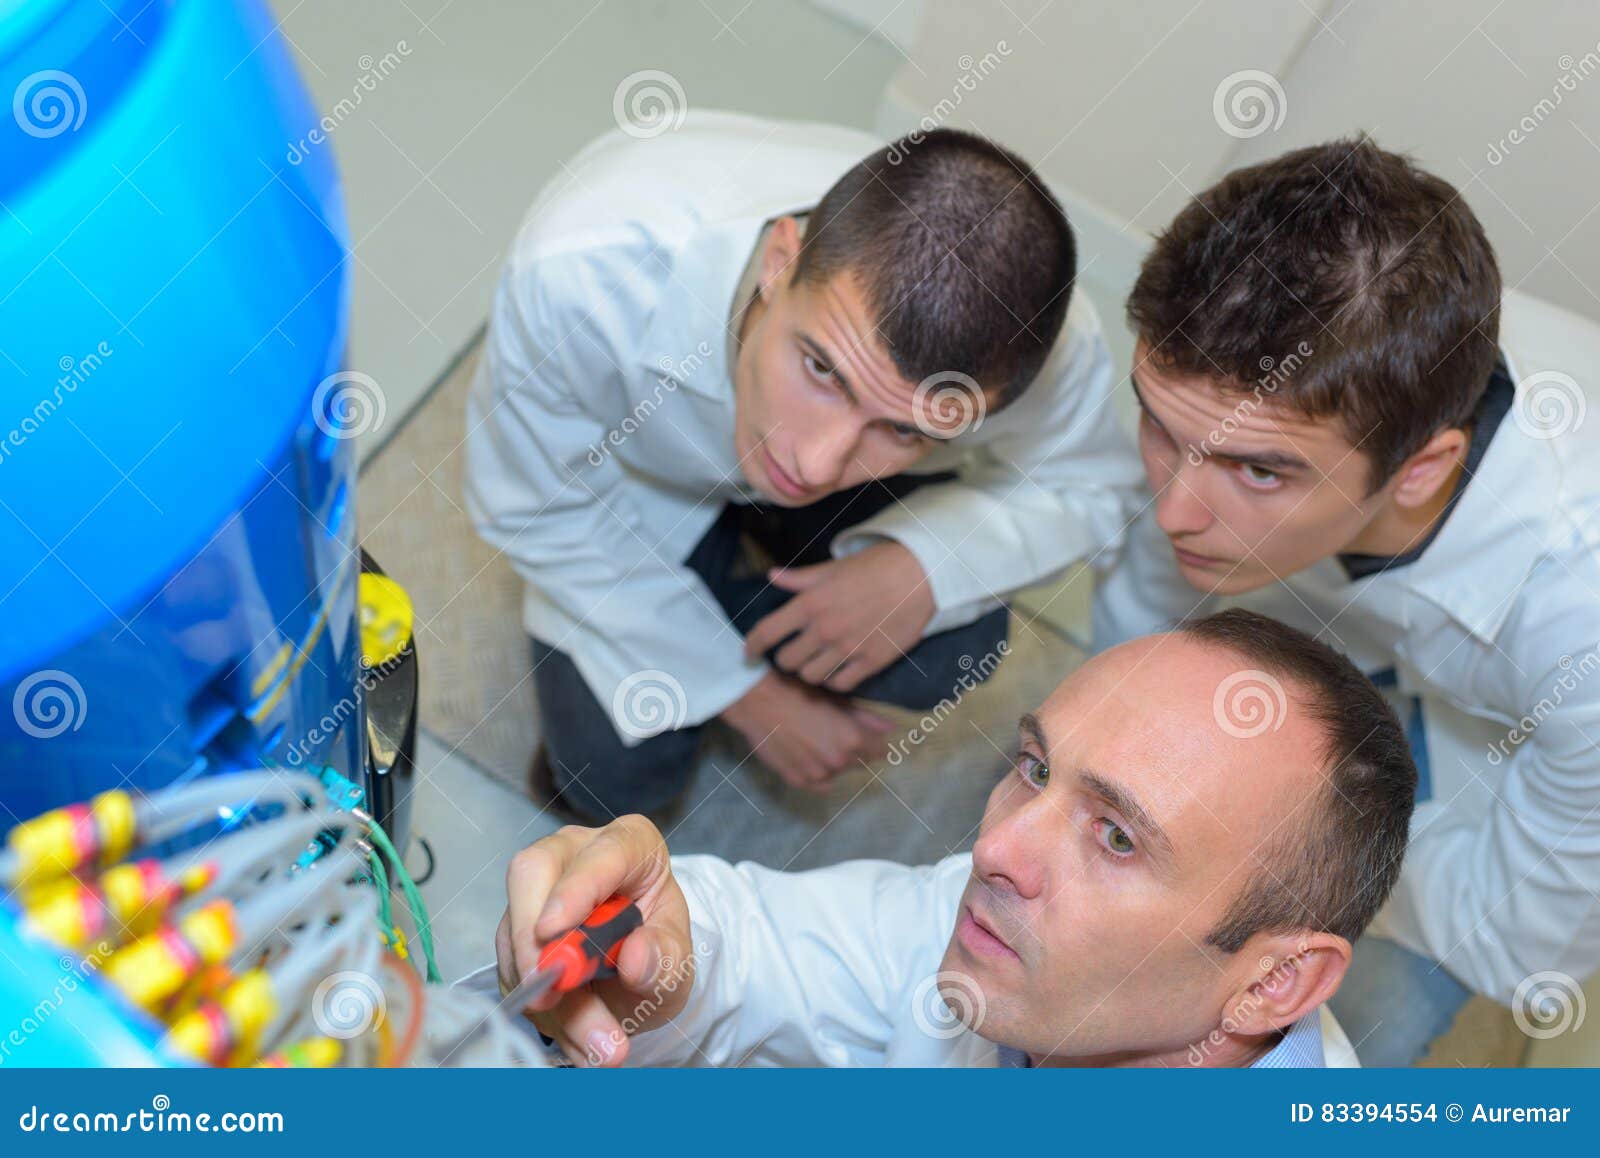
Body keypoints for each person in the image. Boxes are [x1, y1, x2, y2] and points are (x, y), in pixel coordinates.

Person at [466, 111, 1145, 823]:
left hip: (859, 505)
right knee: (611, 782)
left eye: (904, 429)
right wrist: (747, 694)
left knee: (952, 648)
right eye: (822, 369)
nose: (816, 463)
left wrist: (924, 568)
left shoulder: (1040, 351)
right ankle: (737, 624)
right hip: (632, 494)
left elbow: (1093, 486)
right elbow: (532, 506)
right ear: (779, 262)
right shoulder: (583, 273)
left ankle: (760, 592)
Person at [1100, 136, 1600, 1064]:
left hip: (1509, 773)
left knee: (1329, 1044)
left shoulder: (1582, 619)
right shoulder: (1291, 390)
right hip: (1370, 644)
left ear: (1424, 469)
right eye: (1159, 427)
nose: (1173, 509)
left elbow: (1516, 939)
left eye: (1259, 471)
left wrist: (1266, 852)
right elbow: (1133, 632)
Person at [492, 610, 1417, 1068]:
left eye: (1116, 839)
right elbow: (768, 950)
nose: (995, 850)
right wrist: (662, 968)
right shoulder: (1003, 931)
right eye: (1036, 769)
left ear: (1273, 983)